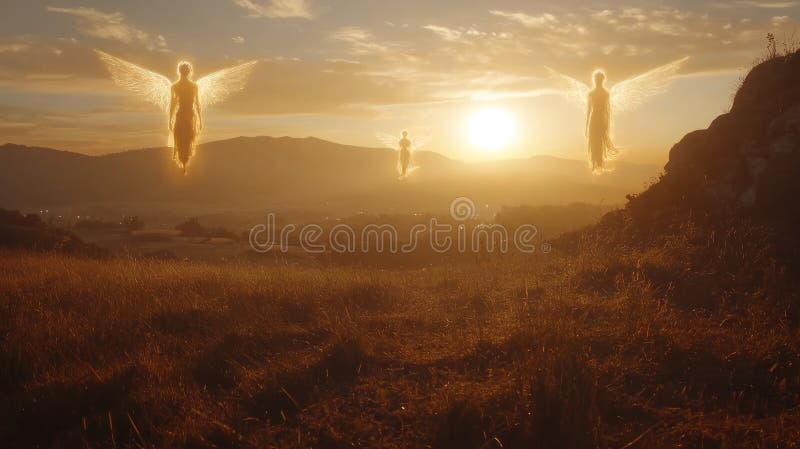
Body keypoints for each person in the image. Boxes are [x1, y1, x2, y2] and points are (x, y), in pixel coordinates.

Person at [169, 62, 202, 175]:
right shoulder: (178, 86)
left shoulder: (188, 86)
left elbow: (197, 103)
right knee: (183, 138)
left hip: (187, 115)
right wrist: (169, 119)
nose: (185, 72)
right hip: (186, 115)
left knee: (185, 139)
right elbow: (172, 104)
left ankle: (184, 163)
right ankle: (183, 163)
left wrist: (200, 120)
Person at [585, 70, 616, 173]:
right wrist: (586, 126)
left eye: (599, 79)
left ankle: (599, 163)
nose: (597, 81)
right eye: (596, 79)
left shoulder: (605, 94)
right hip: (595, 118)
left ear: (602, 80)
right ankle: (595, 163)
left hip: (600, 118)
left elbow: (608, 110)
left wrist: (607, 125)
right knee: (594, 141)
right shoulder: (592, 94)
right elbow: (588, 110)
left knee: (599, 141)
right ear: (595, 80)